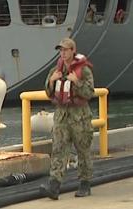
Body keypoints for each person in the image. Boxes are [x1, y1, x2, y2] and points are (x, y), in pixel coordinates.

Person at [41, 38, 96, 199]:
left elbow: (89, 92)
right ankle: (54, 184)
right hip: (62, 116)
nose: (63, 53)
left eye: (66, 50)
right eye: (61, 50)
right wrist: (51, 81)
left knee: (83, 150)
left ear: (73, 50)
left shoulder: (84, 70)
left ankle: (85, 183)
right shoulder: (55, 70)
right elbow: (49, 92)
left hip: (79, 117)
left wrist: (76, 82)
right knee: (58, 149)